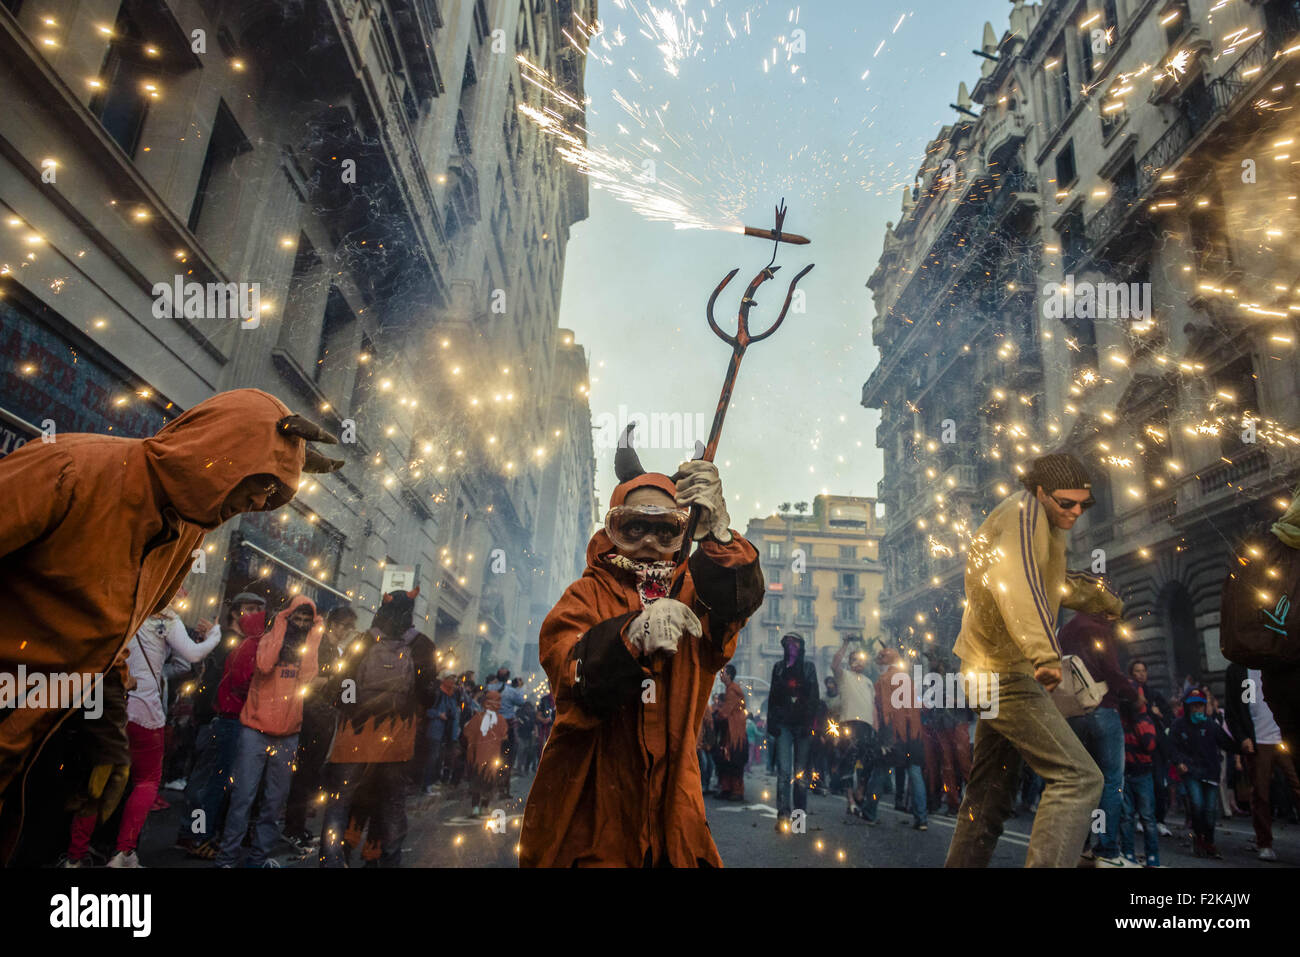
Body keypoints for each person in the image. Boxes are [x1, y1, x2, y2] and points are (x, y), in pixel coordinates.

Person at [0, 388, 341, 863]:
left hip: (41, 751)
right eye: (260, 480)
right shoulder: (71, 468)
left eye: (272, 493)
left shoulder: (185, 534)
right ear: (214, 450)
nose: (258, 500)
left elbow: (112, 641)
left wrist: (105, 734)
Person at [518, 430, 763, 867]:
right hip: (596, 806)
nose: (649, 541)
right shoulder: (586, 593)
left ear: (681, 531)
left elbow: (734, 607)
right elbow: (566, 668)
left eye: (665, 529)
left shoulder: (694, 589)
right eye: (635, 527)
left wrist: (719, 537)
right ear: (614, 528)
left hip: (675, 808)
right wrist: (629, 637)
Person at [945, 453, 1123, 868]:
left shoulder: (1041, 523)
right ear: (1041, 492)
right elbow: (1019, 584)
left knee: (989, 794)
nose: (1076, 512)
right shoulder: (1024, 515)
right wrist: (1045, 654)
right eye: (1067, 503)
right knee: (1079, 777)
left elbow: (1051, 583)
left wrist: (1102, 598)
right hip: (1005, 673)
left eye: (1084, 505)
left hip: (990, 670)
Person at [96, 592, 222, 867]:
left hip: (111, 706)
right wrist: (215, 636)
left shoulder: (129, 607)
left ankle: (78, 852)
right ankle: (124, 852)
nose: (184, 594)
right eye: (179, 589)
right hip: (144, 711)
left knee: (99, 782)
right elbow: (191, 654)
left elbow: (173, 663)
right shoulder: (165, 618)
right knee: (147, 782)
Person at [215, 595, 323, 868]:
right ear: (286, 616)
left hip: (288, 734)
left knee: (274, 804)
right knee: (242, 799)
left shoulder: (307, 647)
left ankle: (258, 859)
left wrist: (313, 636)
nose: (300, 623)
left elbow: (309, 675)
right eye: (295, 617)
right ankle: (226, 859)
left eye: (305, 620)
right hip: (255, 731)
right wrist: (280, 627)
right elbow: (263, 665)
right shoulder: (268, 639)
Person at [319, 589, 424, 868]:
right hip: (396, 743)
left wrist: (357, 709)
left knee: (339, 803)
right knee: (391, 807)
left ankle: (331, 861)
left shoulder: (364, 641)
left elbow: (342, 688)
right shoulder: (422, 645)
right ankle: (385, 861)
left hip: (354, 739)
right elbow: (428, 698)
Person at [1058, 610, 1137, 867]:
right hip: (1102, 709)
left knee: (1084, 783)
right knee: (1110, 781)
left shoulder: (1065, 630)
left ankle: (1081, 846)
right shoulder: (1097, 628)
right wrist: (1132, 692)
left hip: (1074, 715)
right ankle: (1106, 849)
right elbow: (1111, 671)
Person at [283, 604, 357, 851]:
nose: (348, 631)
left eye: (350, 628)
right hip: (313, 714)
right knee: (304, 774)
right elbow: (310, 680)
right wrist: (337, 678)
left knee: (310, 774)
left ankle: (297, 825)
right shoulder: (322, 645)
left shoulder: (336, 649)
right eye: (346, 626)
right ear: (335, 624)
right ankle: (292, 828)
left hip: (324, 715)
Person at [1224, 660, 1299, 861]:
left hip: (1285, 737)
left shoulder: (1280, 664)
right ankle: (1264, 843)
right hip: (1259, 741)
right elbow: (1232, 710)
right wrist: (1243, 738)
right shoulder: (1237, 670)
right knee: (1261, 794)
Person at [1170, 690, 1238, 859]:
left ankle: (1209, 841)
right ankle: (1199, 838)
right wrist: (1179, 763)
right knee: (1198, 804)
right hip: (1191, 772)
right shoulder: (1178, 725)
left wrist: (1243, 744)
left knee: (1210, 810)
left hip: (1210, 772)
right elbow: (1171, 747)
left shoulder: (1211, 724)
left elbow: (1226, 742)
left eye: (1200, 705)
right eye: (1193, 705)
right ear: (1187, 707)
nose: (1197, 709)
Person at [867, 647, 928, 830]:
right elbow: (917, 705)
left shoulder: (883, 680)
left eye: (880, 662)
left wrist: (883, 738)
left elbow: (885, 710)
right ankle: (921, 818)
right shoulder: (907, 680)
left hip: (894, 734)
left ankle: (870, 812)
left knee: (880, 772)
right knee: (915, 773)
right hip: (913, 735)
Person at [768, 633, 819, 830]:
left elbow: (814, 697)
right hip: (784, 724)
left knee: (800, 774)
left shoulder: (808, 667)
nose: (791, 646)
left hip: (802, 725)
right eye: (788, 643)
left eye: (795, 643)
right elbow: (773, 696)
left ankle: (799, 819)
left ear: (801, 646)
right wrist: (772, 721)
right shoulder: (778, 668)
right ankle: (783, 816)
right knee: (783, 771)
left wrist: (809, 723)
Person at [1128, 658, 1175, 837]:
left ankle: (1160, 820)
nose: (1141, 674)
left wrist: (1159, 714)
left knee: (1159, 784)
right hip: (1136, 746)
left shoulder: (1154, 694)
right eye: (1137, 671)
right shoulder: (1128, 694)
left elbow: (1169, 717)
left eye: (1143, 671)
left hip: (1156, 746)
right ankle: (1139, 817)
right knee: (1139, 784)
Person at [831, 637, 876, 817]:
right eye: (855, 660)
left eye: (862, 660)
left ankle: (861, 791)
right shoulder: (844, 676)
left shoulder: (868, 682)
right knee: (848, 762)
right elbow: (834, 664)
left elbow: (873, 706)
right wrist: (845, 644)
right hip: (848, 722)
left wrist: (876, 727)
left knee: (868, 762)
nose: (859, 663)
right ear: (849, 663)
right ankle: (850, 800)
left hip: (866, 725)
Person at [1118, 687, 1161, 867]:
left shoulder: (1145, 720)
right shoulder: (1120, 720)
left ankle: (1152, 855)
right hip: (1125, 774)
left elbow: (1149, 745)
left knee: (1147, 817)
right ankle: (1128, 852)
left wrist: (1136, 722)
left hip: (1143, 774)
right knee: (1126, 817)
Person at [462, 691, 509, 818]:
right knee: (490, 781)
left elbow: (467, 732)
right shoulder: (500, 720)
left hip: (478, 756)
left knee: (477, 781)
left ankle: (475, 808)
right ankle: (484, 807)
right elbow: (504, 737)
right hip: (493, 757)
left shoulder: (477, 718)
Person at [714, 665, 749, 801]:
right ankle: (727, 789)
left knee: (733, 762)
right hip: (730, 731)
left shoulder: (733, 690)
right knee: (727, 761)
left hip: (734, 733)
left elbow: (725, 712)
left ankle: (736, 791)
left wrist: (716, 715)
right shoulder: (731, 689)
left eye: (723, 673)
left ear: (729, 676)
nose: (721, 675)